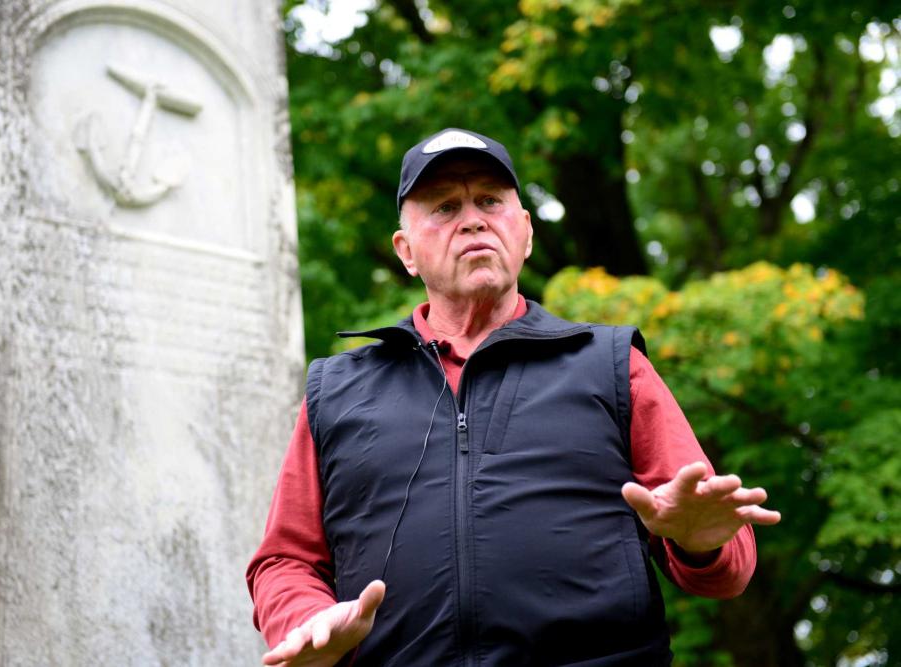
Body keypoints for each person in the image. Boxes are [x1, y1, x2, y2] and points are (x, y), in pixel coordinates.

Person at [246, 128, 781, 666]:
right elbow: (286, 560)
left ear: (524, 232)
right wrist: (307, 618)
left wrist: (700, 542)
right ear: (406, 252)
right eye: (445, 206)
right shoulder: (338, 389)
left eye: (490, 201)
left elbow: (727, 564)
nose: (472, 220)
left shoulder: (612, 365)